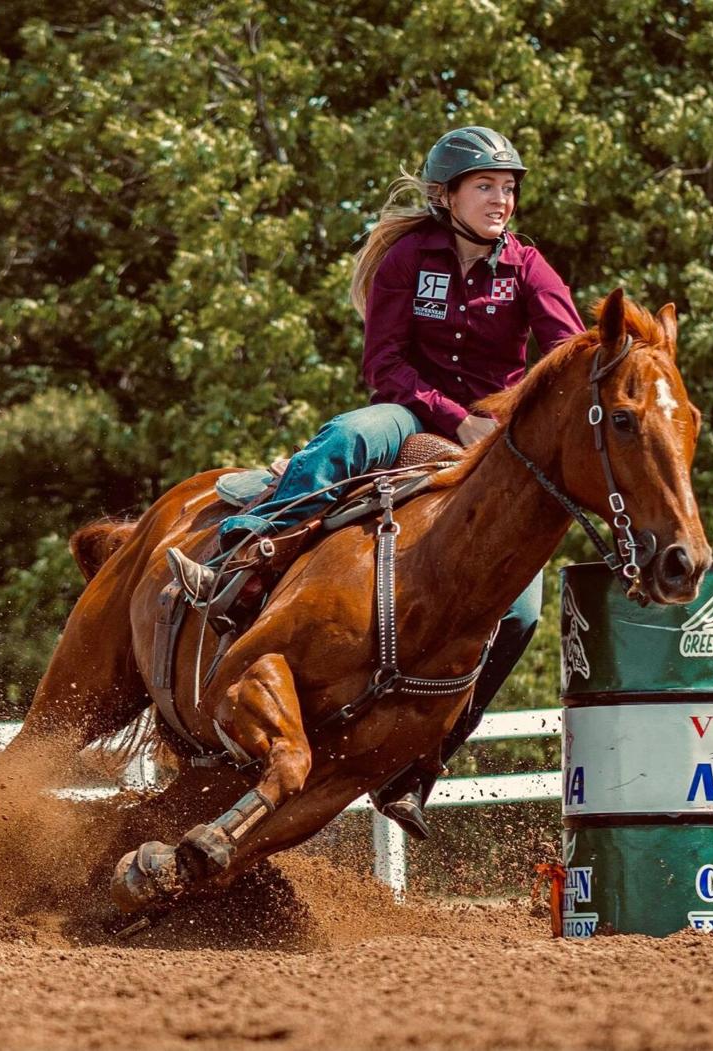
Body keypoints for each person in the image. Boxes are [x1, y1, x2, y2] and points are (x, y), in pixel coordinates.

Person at [169, 126, 585, 838]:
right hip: (414, 410)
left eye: (508, 187)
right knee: (352, 433)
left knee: (519, 616)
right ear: (445, 195)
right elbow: (387, 368)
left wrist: (513, 425)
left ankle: (424, 763)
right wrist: (456, 420)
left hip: (495, 449)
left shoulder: (530, 270)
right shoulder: (405, 259)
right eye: (485, 185)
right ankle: (243, 551)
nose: (501, 199)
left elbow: (571, 358)